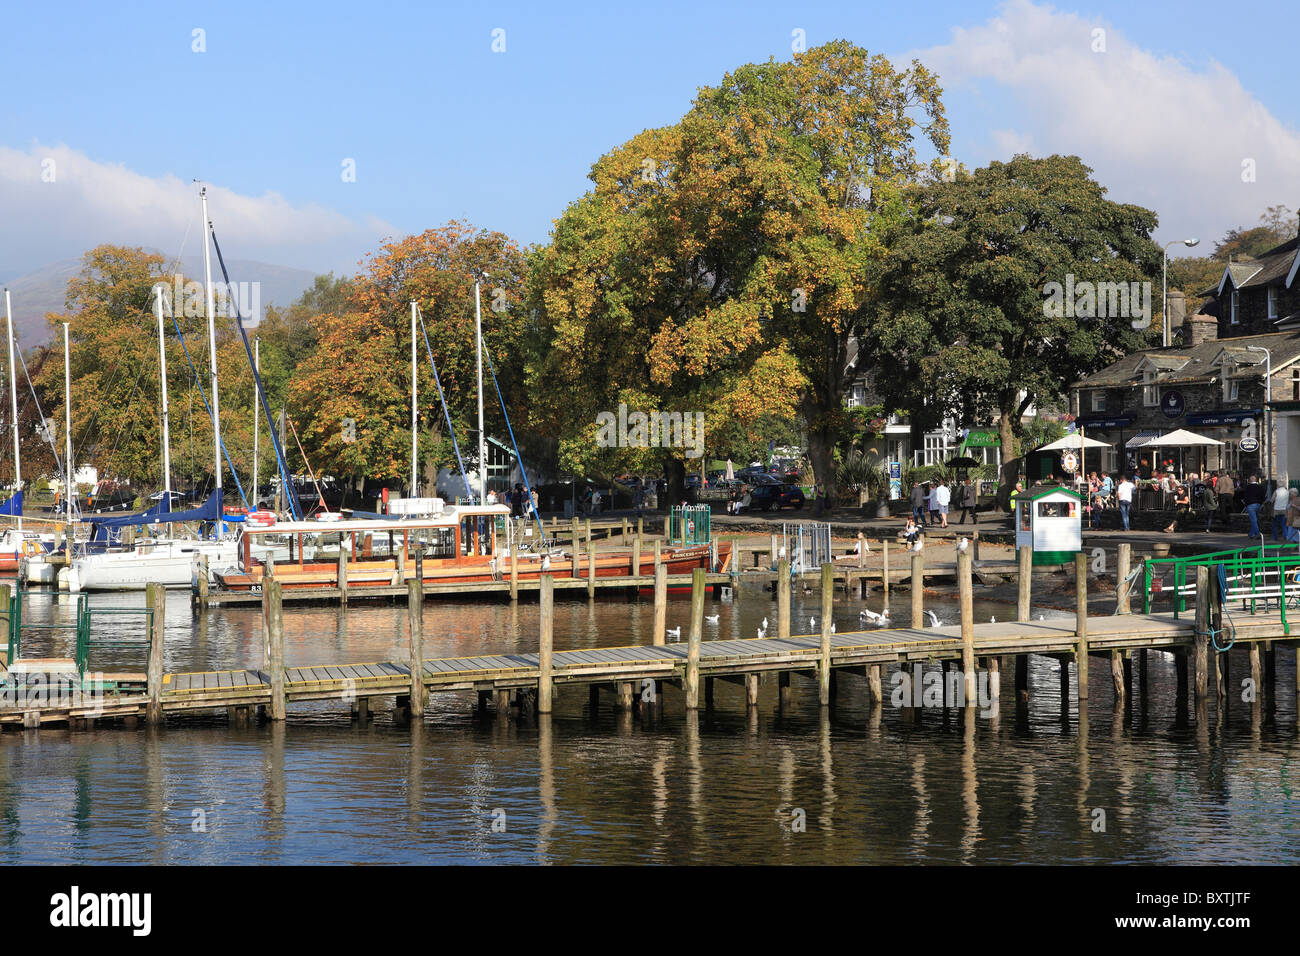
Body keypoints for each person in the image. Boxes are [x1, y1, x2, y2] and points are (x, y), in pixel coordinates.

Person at [1241, 474, 1266, 539]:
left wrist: (1246, 504)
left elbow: (1245, 497)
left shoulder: (1247, 487)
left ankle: (1257, 534)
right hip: (1258, 504)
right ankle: (1251, 533)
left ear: (1250, 480)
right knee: (1255, 519)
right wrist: (1261, 503)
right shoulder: (1260, 487)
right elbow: (1263, 496)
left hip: (1250, 505)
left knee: (1253, 520)